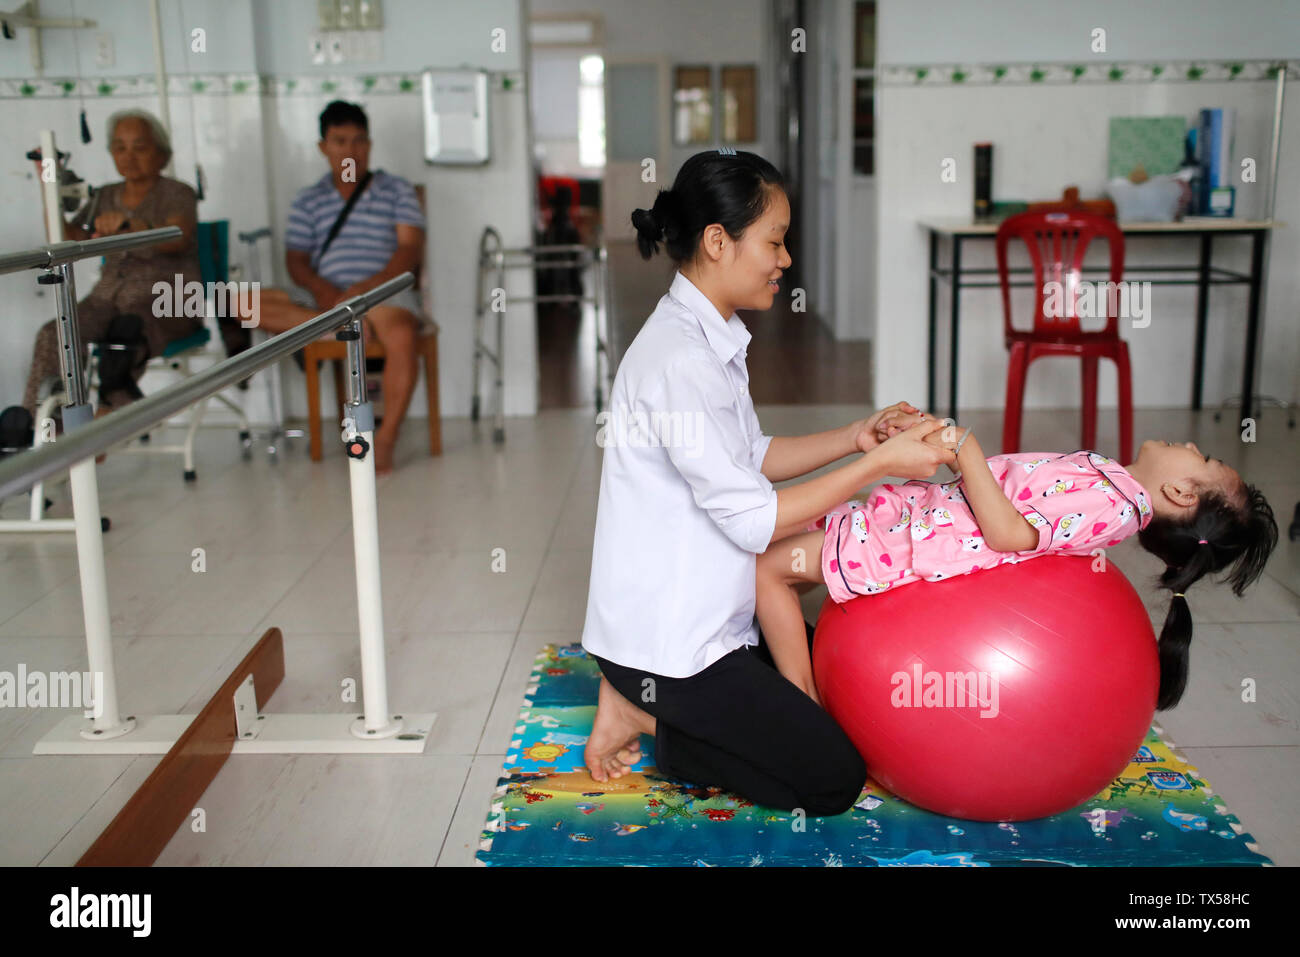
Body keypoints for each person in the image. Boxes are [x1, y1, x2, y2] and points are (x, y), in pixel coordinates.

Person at [579, 148, 956, 816]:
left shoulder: (710, 333)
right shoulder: (680, 362)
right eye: (775, 242)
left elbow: (747, 454)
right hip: (669, 650)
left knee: (834, 689)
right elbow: (755, 521)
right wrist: (877, 466)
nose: (786, 260)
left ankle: (634, 693)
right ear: (718, 242)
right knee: (833, 778)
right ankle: (641, 717)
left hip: (708, 621)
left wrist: (857, 435)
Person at [757, 425, 1278, 712]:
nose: (1189, 445)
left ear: (1182, 493)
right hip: (919, 518)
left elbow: (1010, 534)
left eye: (1202, 458)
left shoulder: (1113, 504)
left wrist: (964, 449)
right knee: (766, 530)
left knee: (769, 571)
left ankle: (804, 700)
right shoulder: (1112, 482)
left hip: (916, 543)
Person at [251, 100, 425, 474]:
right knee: (242, 302)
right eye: (340, 141)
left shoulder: (396, 190)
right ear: (323, 147)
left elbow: (409, 249)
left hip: (383, 292)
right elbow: (296, 259)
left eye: (359, 140)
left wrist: (368, 287)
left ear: (370, 144)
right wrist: (322, 289)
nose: (350, 150)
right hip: (324, 296)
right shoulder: (308, 199)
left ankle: (387, 440)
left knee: (402, 333)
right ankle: (339, 328)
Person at [20, 109, 203, 421]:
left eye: (139, 147)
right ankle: (42, 425)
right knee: (55, 333)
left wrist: (131, 224)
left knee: (125, 332)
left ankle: (109, 413)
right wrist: (47, 185)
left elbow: (179, 237)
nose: (128, 157)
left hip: (167, 301)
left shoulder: (178, 192)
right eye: (119, 148)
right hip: (107, 299)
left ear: (162, 154)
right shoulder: (105, 196)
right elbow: (66, 239)